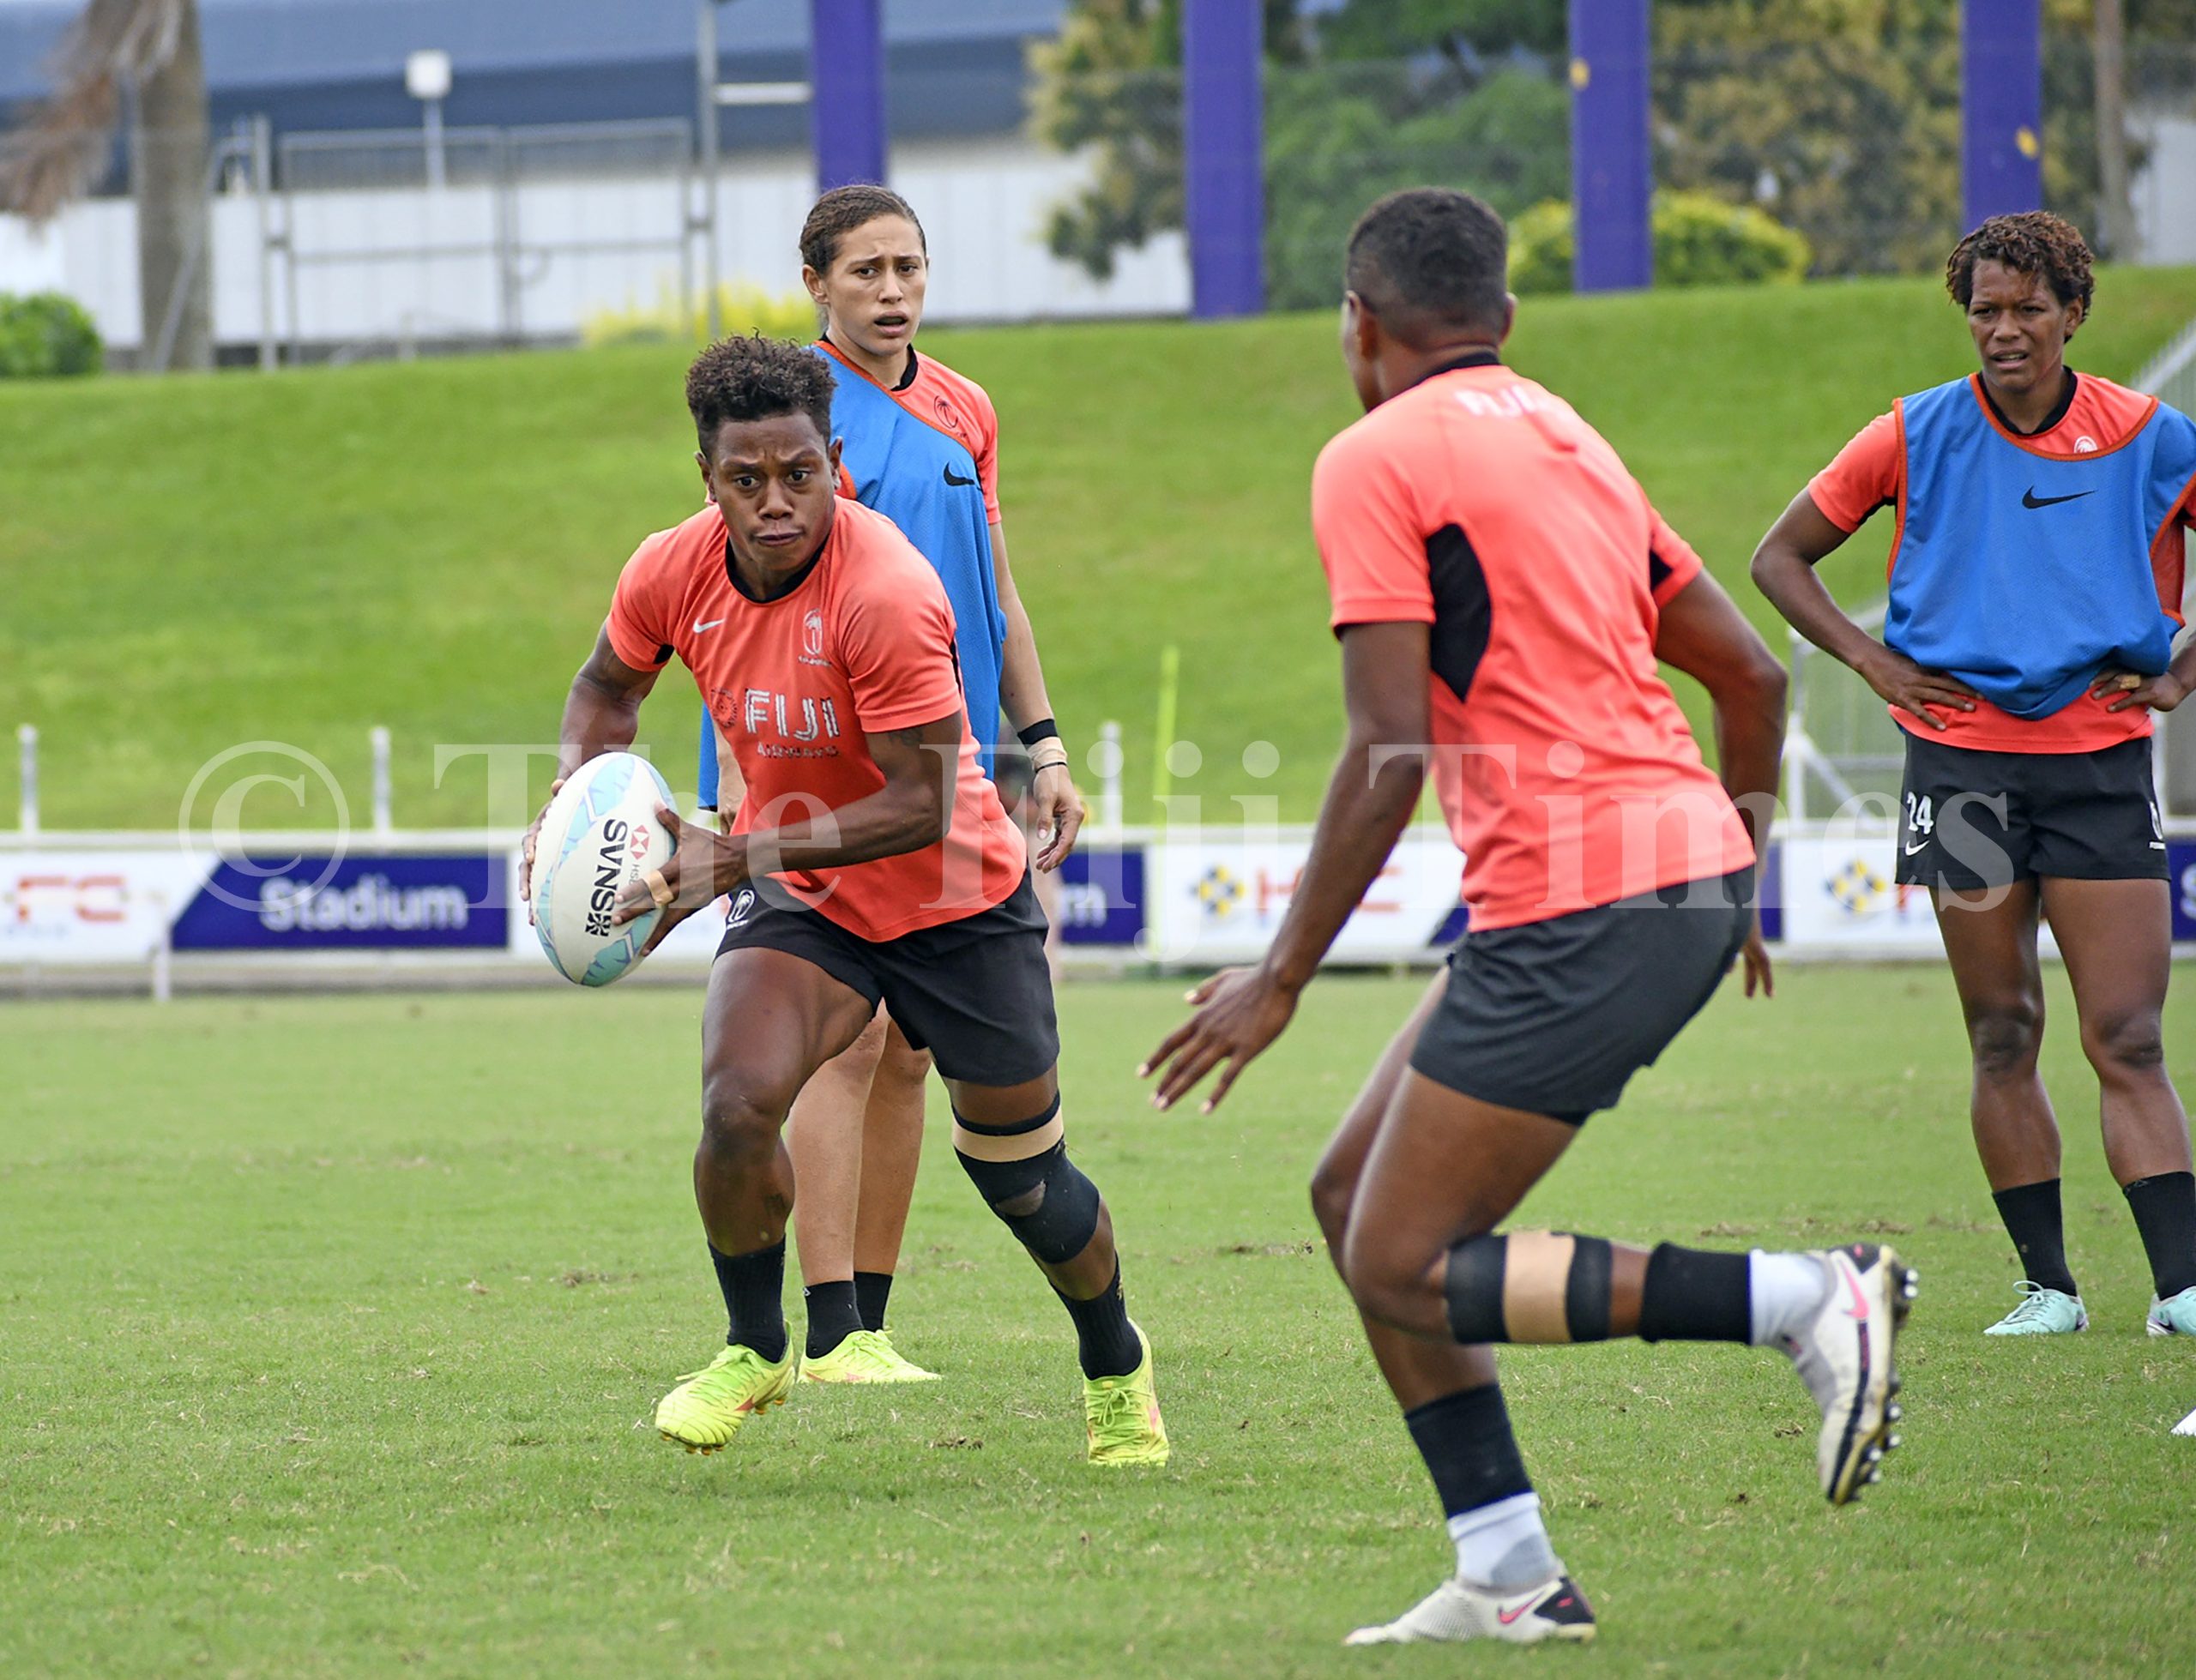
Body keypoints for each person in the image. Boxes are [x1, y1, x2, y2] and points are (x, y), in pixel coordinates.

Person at [1141, 188, 1912, 1647]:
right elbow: (1751, 680)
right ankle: (1509, 1571)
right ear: (1503, 321)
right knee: (1348, 1196)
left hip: (1587, 896)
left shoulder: (1374, 457)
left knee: (1402, 1258)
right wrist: (1730, 877)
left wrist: (1282, 978)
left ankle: (1806, 1298)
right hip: (1656, 876)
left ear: (1356, 327)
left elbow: (1385, 749)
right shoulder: (1571, 438)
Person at [528, 334, 1165, 1465]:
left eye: (799, 475)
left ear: (838, 466)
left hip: (957, 900)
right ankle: (755, 1348)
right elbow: (605, 686)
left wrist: (733, 855)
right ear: (708, 479)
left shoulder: (888, 592)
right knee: (736, 1105)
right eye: (745, 480)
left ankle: (1115, 1359)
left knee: (1024, 1181)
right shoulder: (670, 570)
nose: (775, 503)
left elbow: (920, 805)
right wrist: (574, 801)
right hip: (810, 900)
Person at [1753, 213, 2196, 1341]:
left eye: (2027, 310)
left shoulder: (2151, 435)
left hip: (2098, 766)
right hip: (1963, 771)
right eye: (1985, 311)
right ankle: (2049, 1290)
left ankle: (2182, 1291)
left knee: (2129, 1036)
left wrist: (2184, 668)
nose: (2004, 331)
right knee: (2002, 1031)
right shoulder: (1914, 432)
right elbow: (1778, 558)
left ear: (2072, 314)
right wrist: (1870, 662)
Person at [696, 185, 1086, 1383]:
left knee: (913, 1050)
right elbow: (741, 609)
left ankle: (869, 1321)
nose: (892, 290)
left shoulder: (968, 407)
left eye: (908, 267)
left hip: (954, 767)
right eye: (864, 271)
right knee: (847, 1045)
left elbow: (998, 590)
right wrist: (725, 799)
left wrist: (1043, 740)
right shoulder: (799, 426)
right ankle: (824, 1328)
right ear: (816, 283)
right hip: (825, 773)